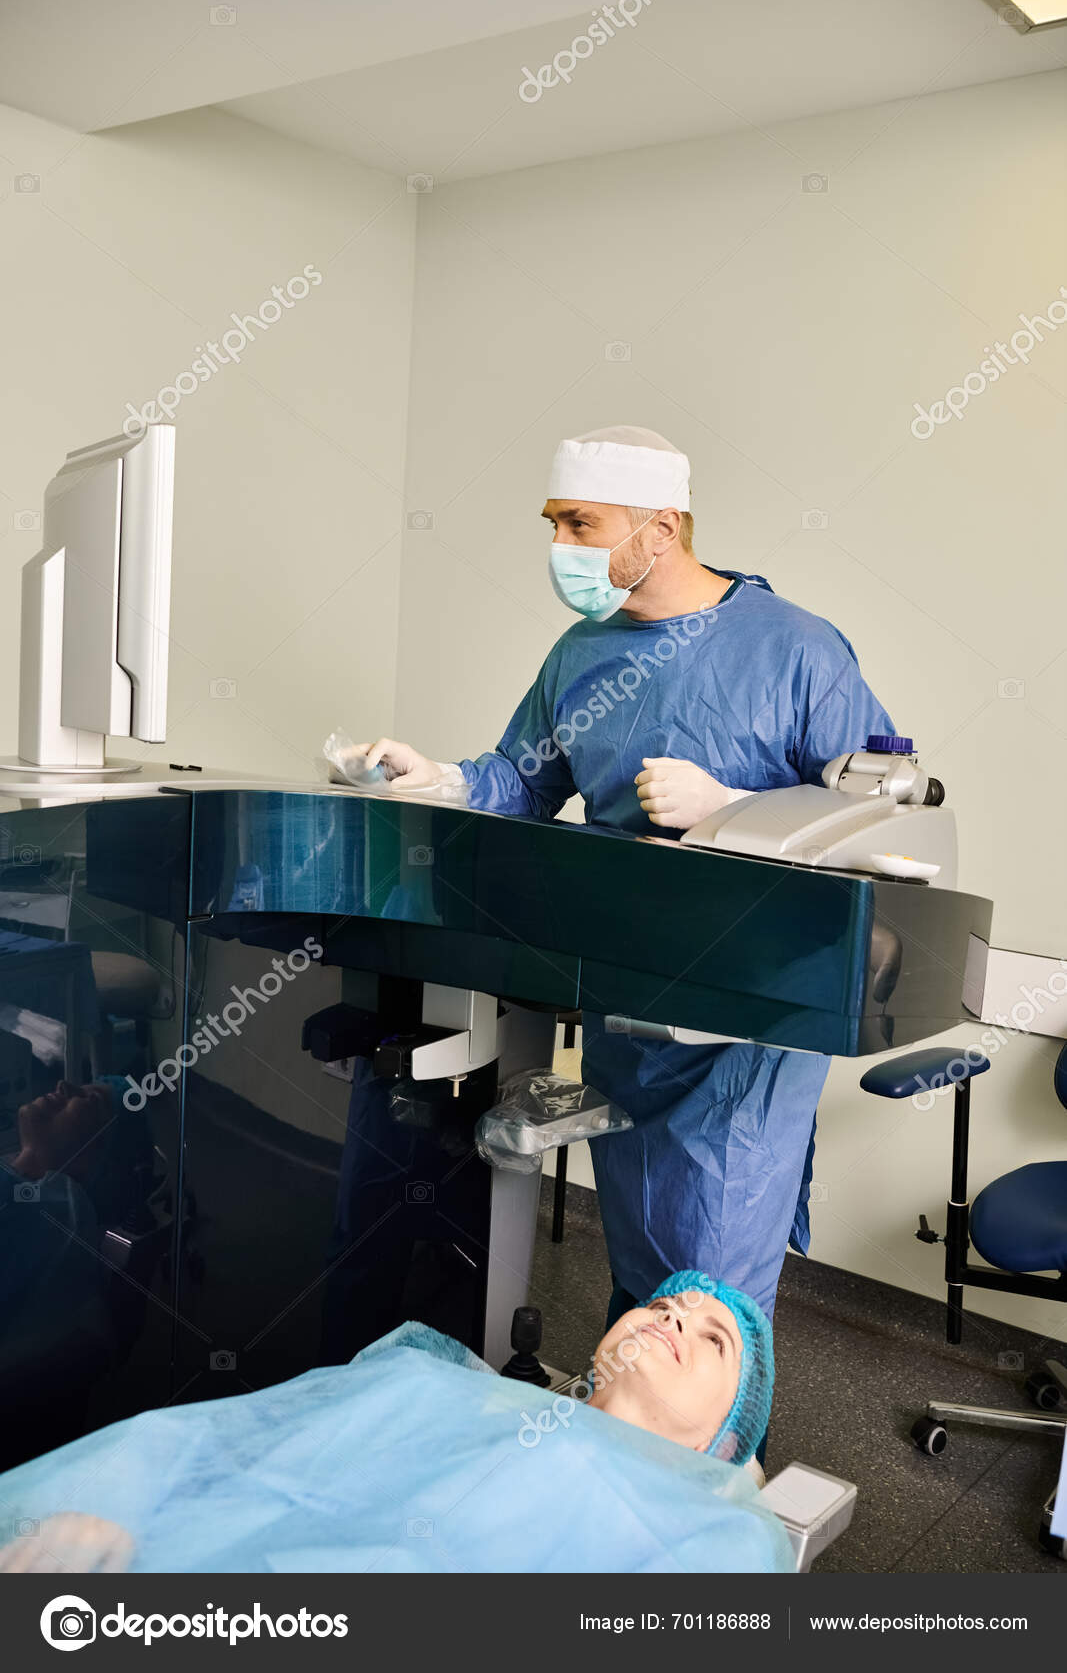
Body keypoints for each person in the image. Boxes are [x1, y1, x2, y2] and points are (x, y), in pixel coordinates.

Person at [355, 425, 894, 1339]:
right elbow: (523, 781)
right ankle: (629, 1408)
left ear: (662, 528)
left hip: (745, 1011)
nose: (559, 545)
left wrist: (733, 808)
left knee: (709, 1276)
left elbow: (872, 813)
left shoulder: (795, 648)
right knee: (640, 1239)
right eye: (552, 523)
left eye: (580, 523)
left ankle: (707, 1427)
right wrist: (439, 778)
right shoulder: (581, 651)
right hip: (628, 991)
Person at [0, 1270, 790, 1574]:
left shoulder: (714, 1539)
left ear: (718, 1442)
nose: (673, 1318)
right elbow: (219, 1447)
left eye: (712, 1338)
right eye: (663, 1304)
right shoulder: (430, 1384)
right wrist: (104, 1507)